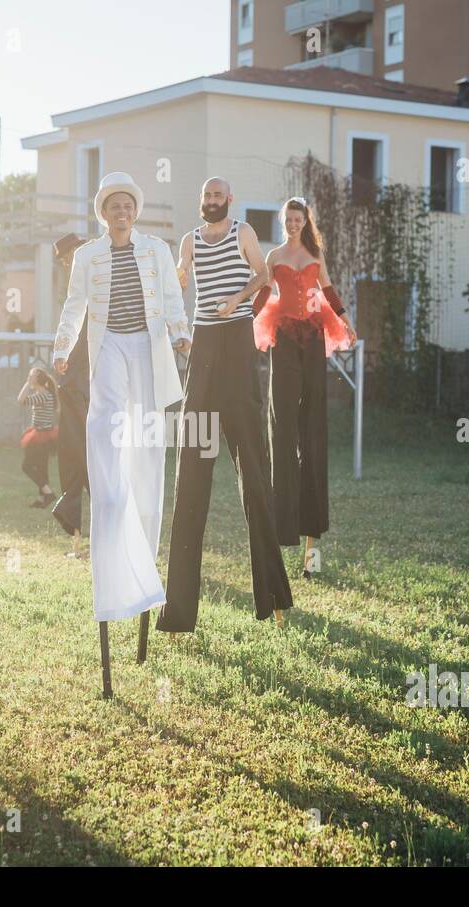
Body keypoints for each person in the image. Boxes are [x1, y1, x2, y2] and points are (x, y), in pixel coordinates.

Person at [51, 172, 190, 695]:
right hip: (109, 345)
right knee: (105, 422)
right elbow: (74, 306)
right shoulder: (88, 256)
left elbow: (174, 304)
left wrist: (181, 335)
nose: (121, 212)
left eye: (128, 204)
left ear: (136, 209)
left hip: (148, 349)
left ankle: (139, 525)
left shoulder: (155, 250)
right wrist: (63, 348)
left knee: (148, 444)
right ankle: (106, 493)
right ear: (102, 212)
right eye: (113, 206)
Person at [156, 178, 293, 633]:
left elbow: (264, 276)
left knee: (253, 470)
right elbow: (178, 277)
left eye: (218, 196)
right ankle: (177, 613)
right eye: (206, 196)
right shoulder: (190, 240)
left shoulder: (243, 233)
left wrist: (237, 299)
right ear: (201, 202)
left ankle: (272, 593)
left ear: (228, 200)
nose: (211, 201)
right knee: (191, 470)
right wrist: (163, 282)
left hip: (236, 342)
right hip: (202, 349)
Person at [253, 198, 356, 577]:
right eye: (289, 220)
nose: (294, 224)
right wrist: (243, 318)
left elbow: (327, 290)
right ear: (283, 222)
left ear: (305, 221)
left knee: (313, 428)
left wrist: (346, 320)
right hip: (283, 335)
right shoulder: (275, 255)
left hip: (313, 335)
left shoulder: (314, 253)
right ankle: (281, 534)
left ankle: (312, 554)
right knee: (282, 424)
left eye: (299, 219)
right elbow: (264, 293)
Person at [49, 233, 91, 539]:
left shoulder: (93, 284)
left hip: (85, 383)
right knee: (74, 450)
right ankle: (71, 512)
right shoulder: (75, 287)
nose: (67, 264)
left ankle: (72, 510)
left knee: (84, 450)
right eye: (64, 260)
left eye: (69, 256)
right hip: (74, 382)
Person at [17, 365, 59, 508]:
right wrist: (30, 383)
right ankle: (42, 499)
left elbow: (21, 400)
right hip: (45, 435)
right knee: (41, 468)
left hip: (40, 436)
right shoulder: (45, 393)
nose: (29, 378)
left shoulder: (42, 395)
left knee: (26, 466)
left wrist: (27, 385)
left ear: (37, 380)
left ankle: (49, 494)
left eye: (31, 377)